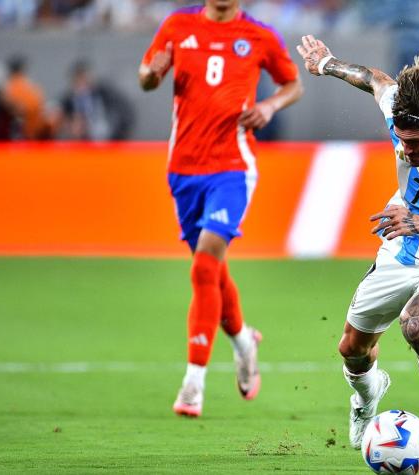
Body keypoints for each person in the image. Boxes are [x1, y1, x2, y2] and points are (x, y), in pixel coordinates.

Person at [297, 35, 419, 458]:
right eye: (401, 139)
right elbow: (375, 79)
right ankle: (366, 396)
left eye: (415, 143)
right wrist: (326, 63)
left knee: (417, 326)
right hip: (401, 250)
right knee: (351, 349)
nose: (405, 149)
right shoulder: (404, 114)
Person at [138, 0, 303, 417]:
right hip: (183, 169)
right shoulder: (177, 25)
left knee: (203, 266)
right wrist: (152, 73)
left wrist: (269, 106)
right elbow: (146, 78)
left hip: (232, 167)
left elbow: (292, 84)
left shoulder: (259, 36)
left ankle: (193, 383)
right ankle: (244, 342)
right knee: (211, 268)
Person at [61, 60, 136, 141]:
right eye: (78, 81)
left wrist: (116, 136)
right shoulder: (69, 101)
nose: (82, 85)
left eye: (83, 79)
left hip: (111, 141)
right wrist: (71, 127)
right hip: (84, 144)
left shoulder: (107, 94)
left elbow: (124, 115)